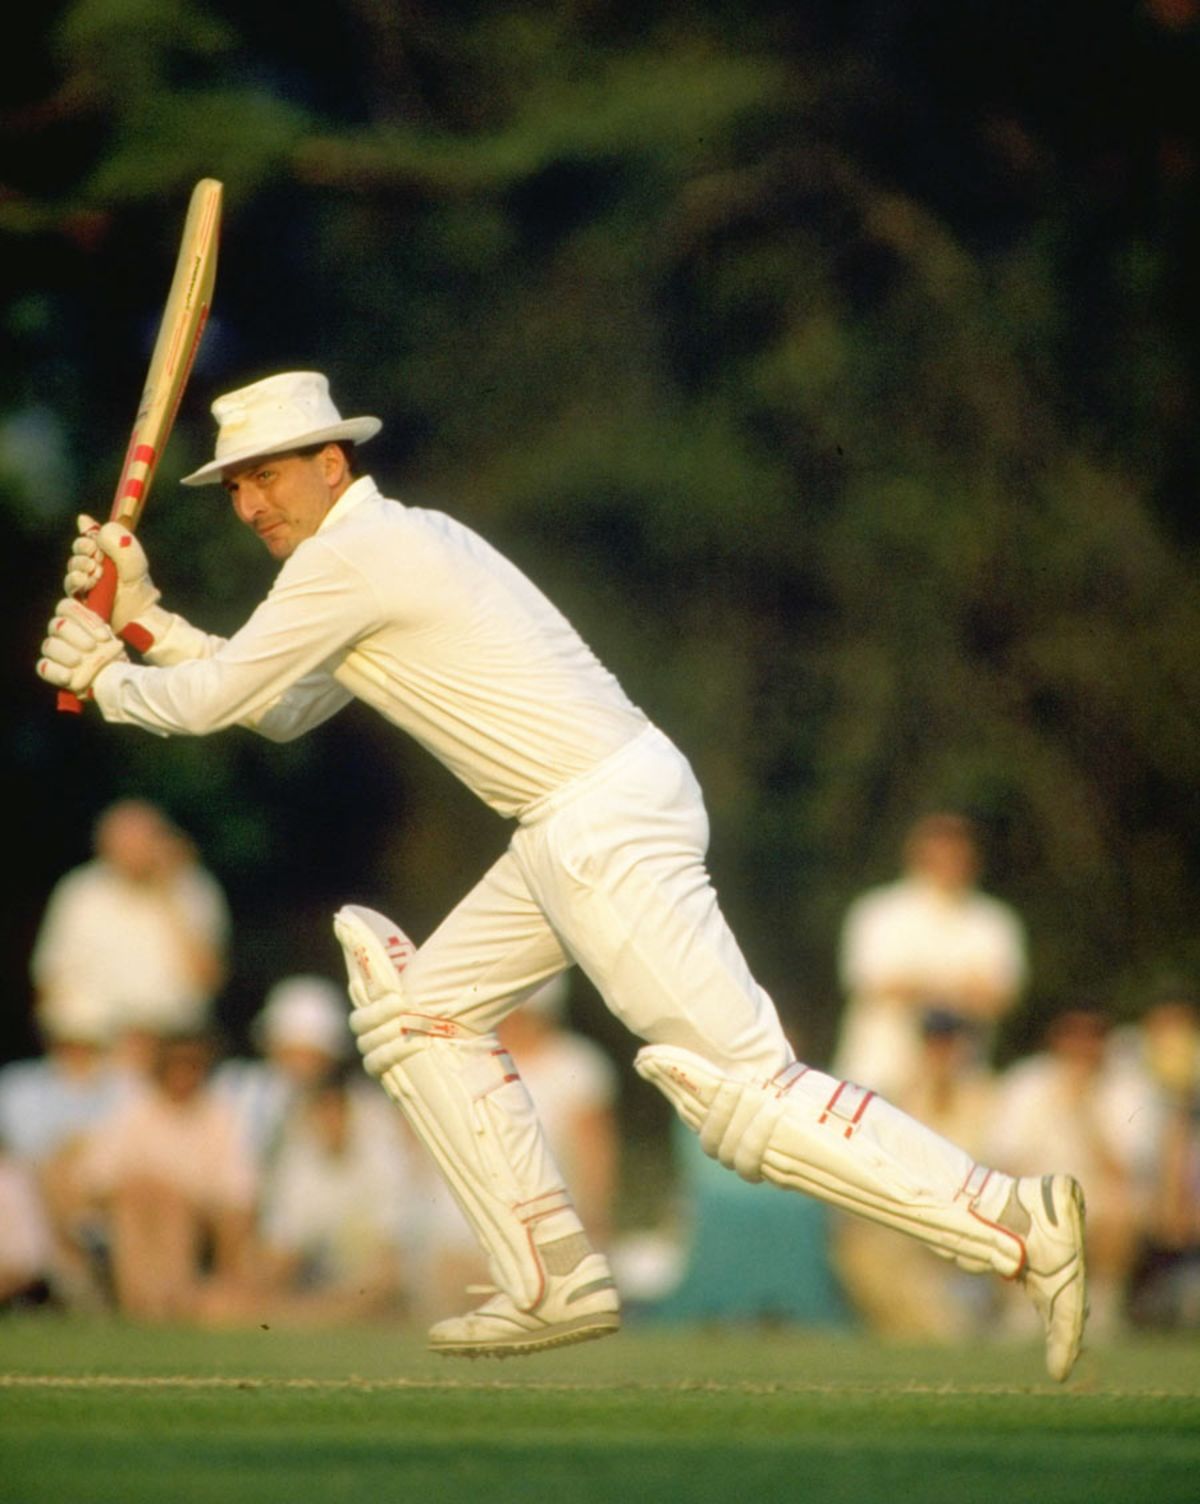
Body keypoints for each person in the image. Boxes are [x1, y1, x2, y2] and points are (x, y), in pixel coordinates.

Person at [36, 370, 1087, 1378]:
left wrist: (106, 673)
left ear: (329, 460)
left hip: (597, 818)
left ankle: (1016, 1220)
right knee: (422, 1017)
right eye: (235, 486)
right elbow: (279, 702)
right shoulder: (393, 543)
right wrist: (143, 622)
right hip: (580, 812)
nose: (252, 502)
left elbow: (219, 701)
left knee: (747, 1100)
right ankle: (551, 1276)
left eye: (267, 475)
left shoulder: (350, 560)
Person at [834, 811, 1028, 1100]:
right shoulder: (880, 912)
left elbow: (1000, 997)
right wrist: (959, 987)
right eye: (939, 852)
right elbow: (873, 985)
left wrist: (919, 983)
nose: (948, 861)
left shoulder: (992, 922)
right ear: (917, 854)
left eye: (957, 852)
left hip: (957, 1085)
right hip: (880, 1076)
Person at [31, 798, 230, 1074]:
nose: (133, 852)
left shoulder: (194, 889)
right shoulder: (80, 893)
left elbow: (207, 978)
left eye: (143, 841)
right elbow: (50, 981)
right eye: (123, 843)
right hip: (96, 1048)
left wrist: (167, 897)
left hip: (171, 1048)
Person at [212, 973, 356, 1170]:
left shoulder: (357, 1105)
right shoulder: (233, 1086)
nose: (302, 1066)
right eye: (293, 1053)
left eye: (312, 1056)